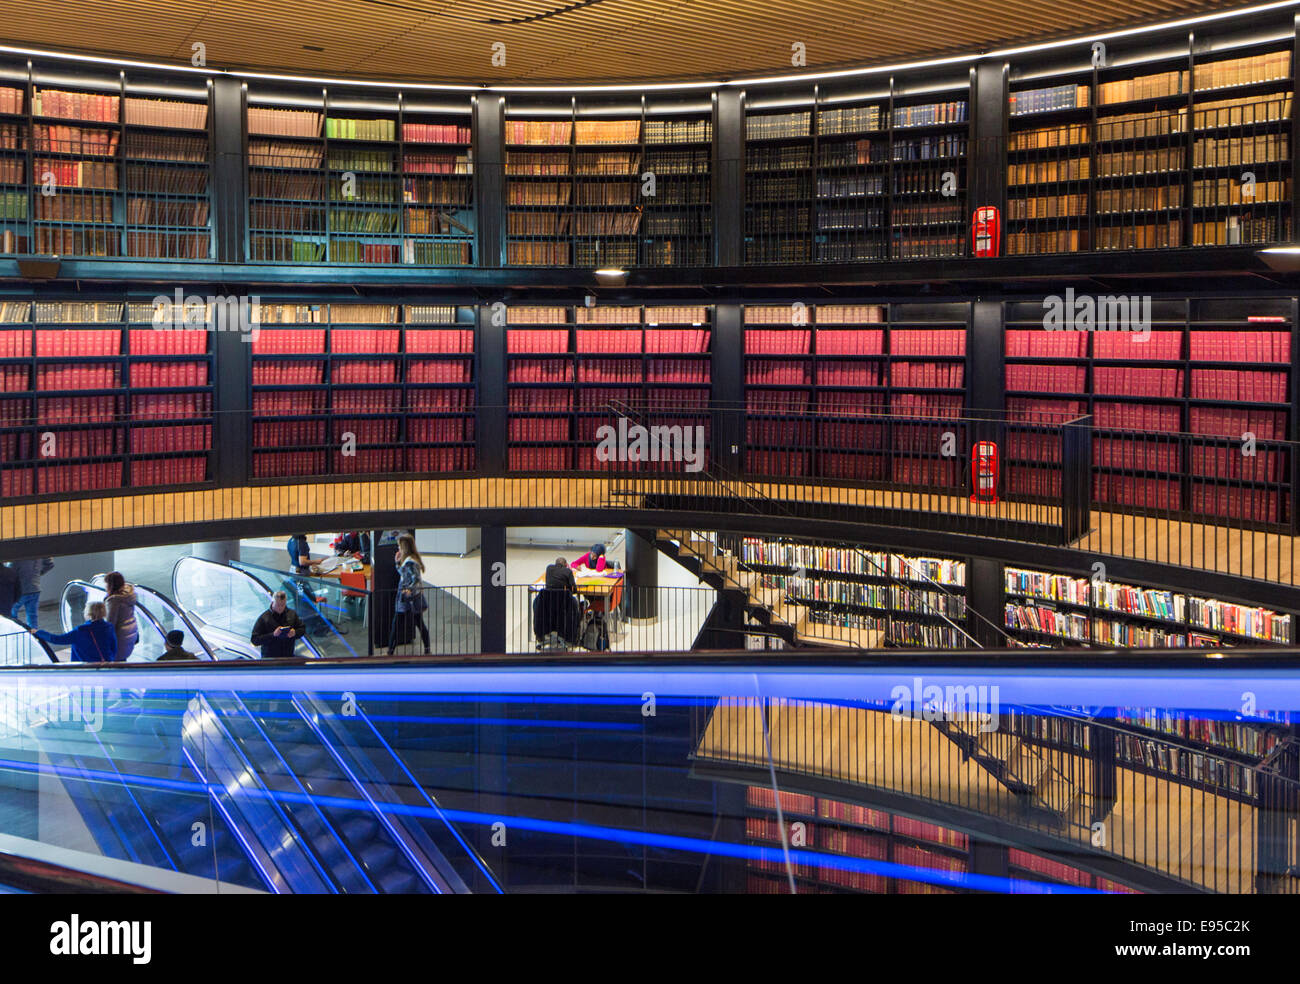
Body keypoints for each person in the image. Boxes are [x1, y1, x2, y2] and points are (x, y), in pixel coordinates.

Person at [387, 533, 431, 656]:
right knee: (419, 623)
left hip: (407, 600)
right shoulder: (411, 560)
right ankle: (427, 648)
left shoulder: (410, 562)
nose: (398, 549)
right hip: (413, 598)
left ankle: (390, 651)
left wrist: (407, 591)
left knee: (396, 625)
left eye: (399, 547)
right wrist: (397, 563)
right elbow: (406, 574)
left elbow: (413, 579)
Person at [35, 601, 117, 663]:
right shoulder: (109, 627)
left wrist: (38, 632)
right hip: (105, 664)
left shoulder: (81, 630)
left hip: (85, 667)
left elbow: (56, 639)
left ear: (88, 614)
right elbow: (114, 647)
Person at [251, 591, 306, 659]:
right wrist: (273, 635)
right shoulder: (264, 618)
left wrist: (295, 633)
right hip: (270, 660)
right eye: (277, 605)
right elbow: (254, 640)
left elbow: (302, 629)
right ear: (272, 602)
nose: (280, 608)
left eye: (282, 605)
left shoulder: (292, 614)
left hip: (288, 657)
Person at [103, 572, 140, 663]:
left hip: (119, 637)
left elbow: (110, 623)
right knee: (122, 660)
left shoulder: (114, 601)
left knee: (116, 664)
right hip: (129, 633)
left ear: (111, 585)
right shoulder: (128, 595)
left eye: (106, 584)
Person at [11, 557, 53, 628]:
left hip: (20, 589)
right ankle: (34, 636)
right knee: (32, 617)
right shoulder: (37, 548)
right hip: (35, 588)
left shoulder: (16, 551)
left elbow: (10, 569)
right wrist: (36, 574)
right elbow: (50, 564)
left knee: (11, 614)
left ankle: (15, 633)